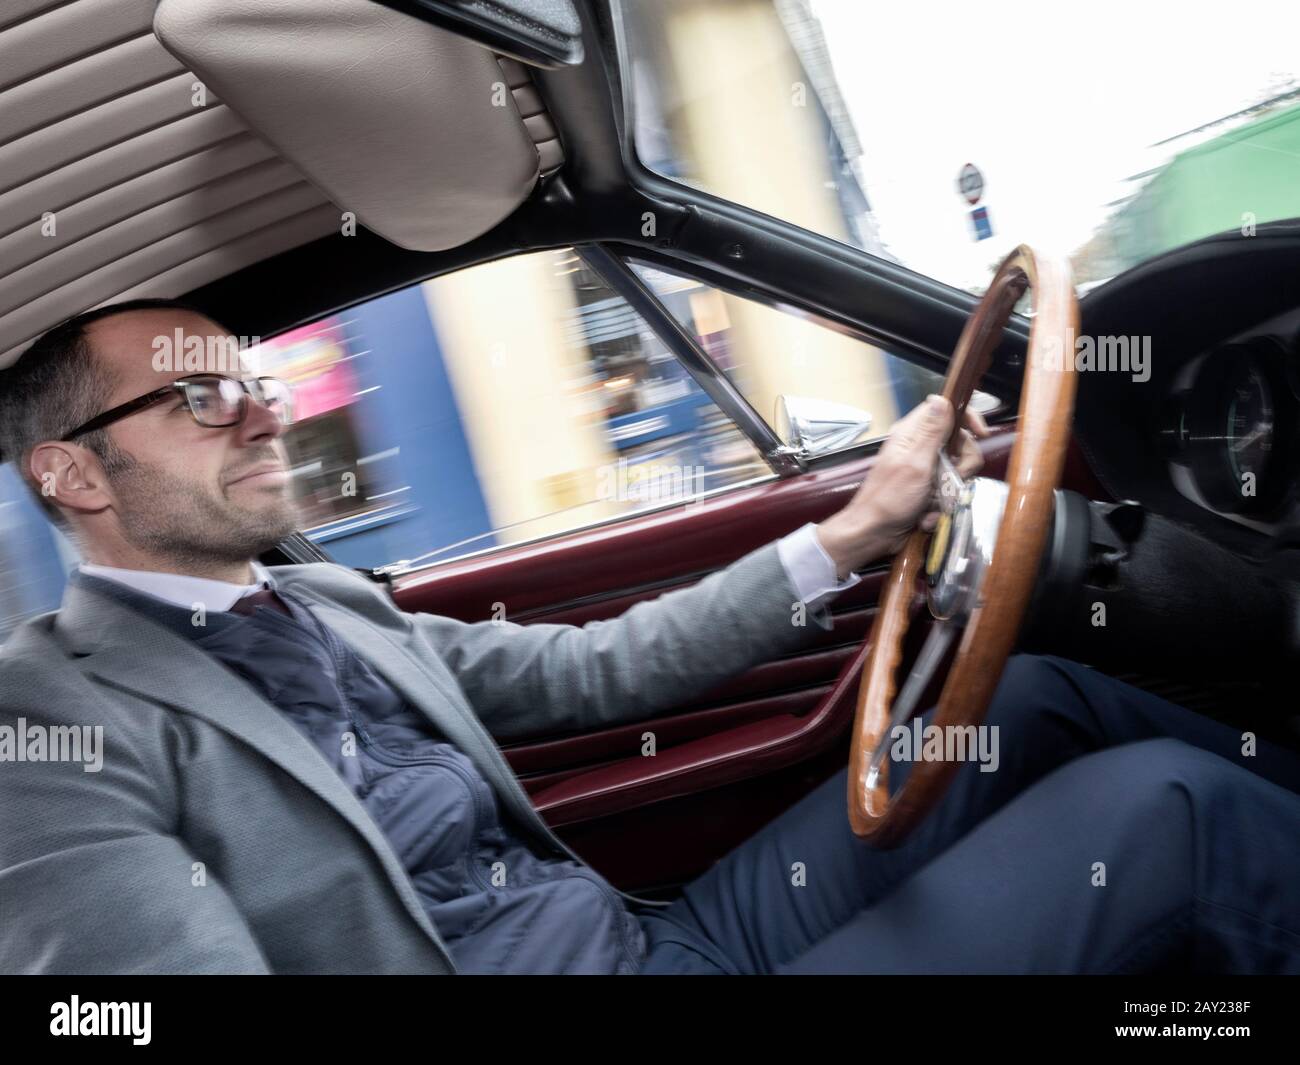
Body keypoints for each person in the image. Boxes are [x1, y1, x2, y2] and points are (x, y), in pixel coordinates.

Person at [1, 300, 1294, 974]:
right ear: (74, 472)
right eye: (205, 395)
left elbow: (597, 668)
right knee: (1166, 809)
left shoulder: (322, 603)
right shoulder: (47, 729)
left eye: (261, 384)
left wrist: (854, 528)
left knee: (1022, 701)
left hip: (660, 935)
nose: (263, 416)